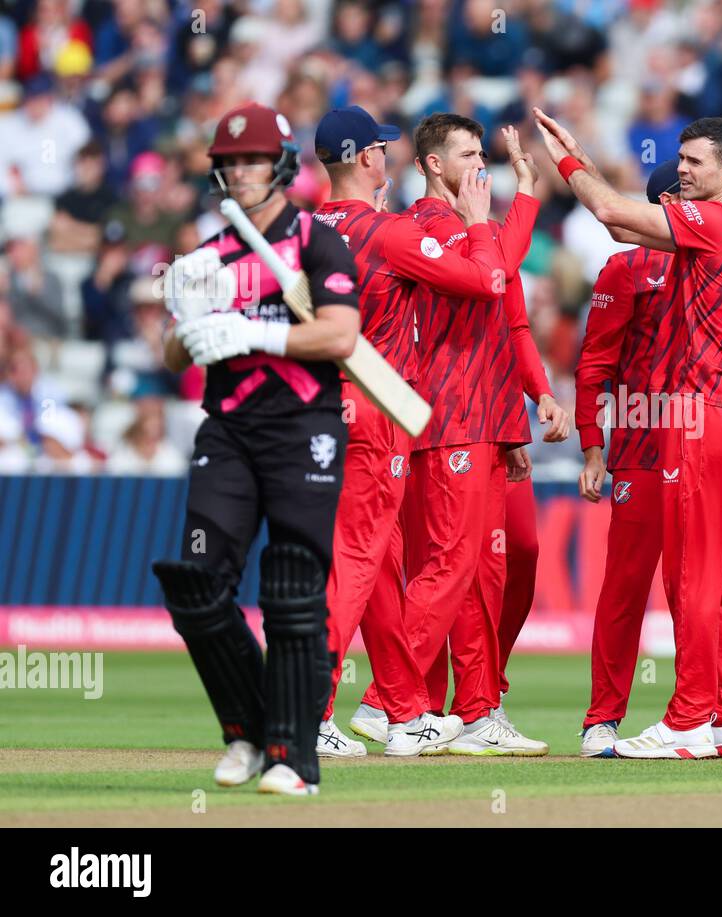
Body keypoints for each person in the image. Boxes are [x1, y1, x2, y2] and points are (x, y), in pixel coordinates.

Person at [534, 109, 722, 758]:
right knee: (709, 577)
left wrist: (571, 158)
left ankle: (688, 720)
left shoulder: (707, 225)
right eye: (678, 165)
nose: (682, 173)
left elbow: (610, 213)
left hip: (699, 416)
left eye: (694, 163)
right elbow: (603, 356)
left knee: (696, 577)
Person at [151, 102, 361, 796]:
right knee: (196, 581)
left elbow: (339, 337)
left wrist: (254, 335)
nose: (242, 170)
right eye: (231, 160)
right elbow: (174, 349)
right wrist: (189, 319)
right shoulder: (207, 255)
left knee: (293, 591)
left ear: (280, 165)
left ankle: (293, 757)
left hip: (304, 428)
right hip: (230, 430)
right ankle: (246, 730)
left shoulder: (316, 240)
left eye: (253, 159)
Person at [310, 105, 524, 759]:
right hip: (374, 408)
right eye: (380, 148)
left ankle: (404, 713)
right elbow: (489, 281)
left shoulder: (306, 227)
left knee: (368, 567)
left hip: (314, 409)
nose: (385, 156)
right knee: (355, 565)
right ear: (369, 159)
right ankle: (308, 710)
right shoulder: (384, 231)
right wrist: (483, 223)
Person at [353, 112, 567, 756]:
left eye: (484, 154)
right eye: (468, 154)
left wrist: (534, 396)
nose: (481, 165)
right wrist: (526, 198)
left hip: (484, 413)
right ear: (432, 165)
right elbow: (494, 274)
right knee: (452, 564)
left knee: (482, 571)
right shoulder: (429, 225)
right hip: (450, 413)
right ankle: (385, 701)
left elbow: (512, 319)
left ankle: (477, 709)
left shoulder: (473, 231)